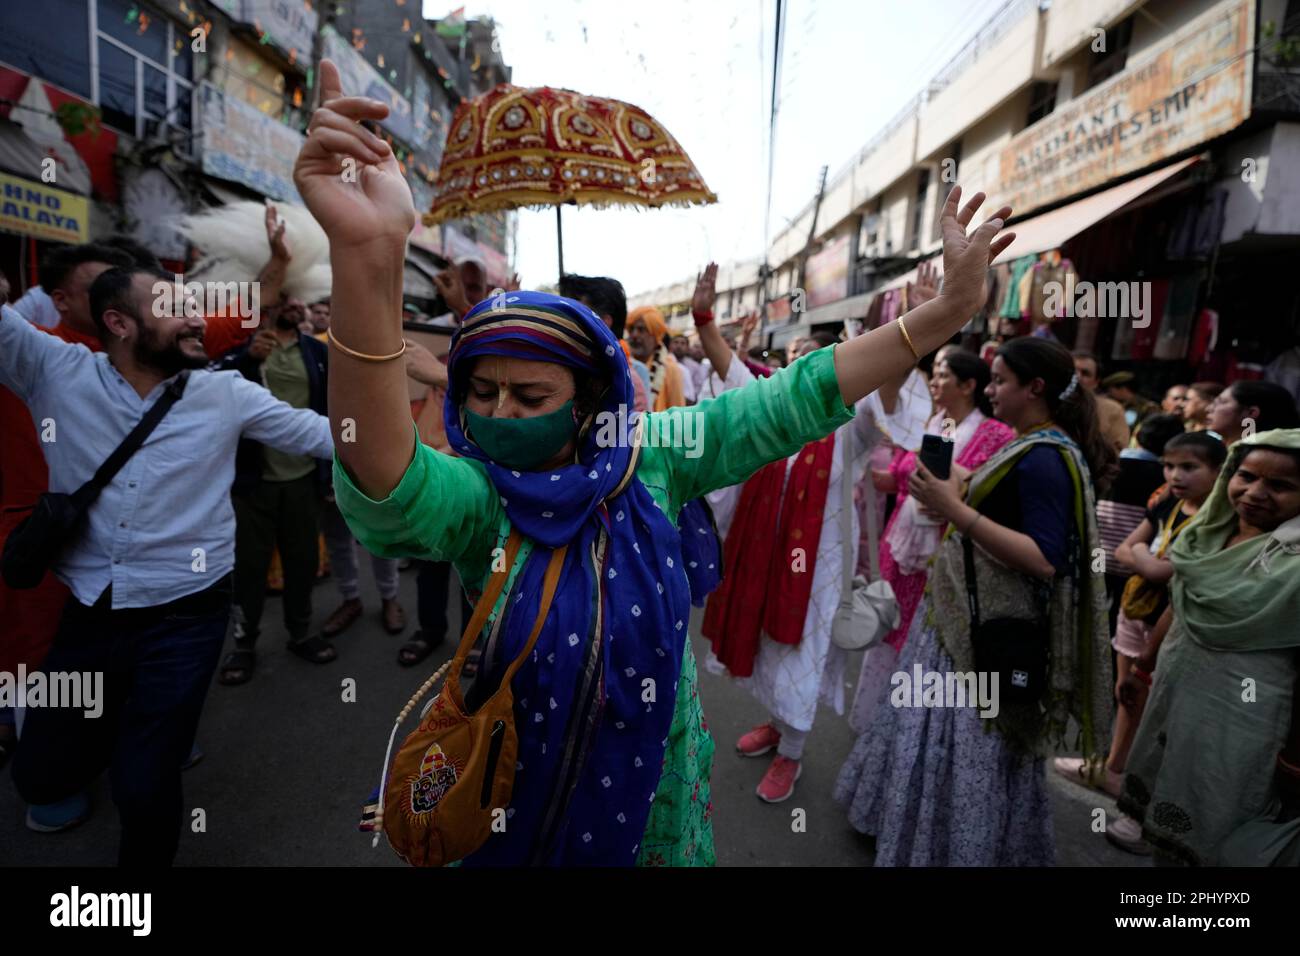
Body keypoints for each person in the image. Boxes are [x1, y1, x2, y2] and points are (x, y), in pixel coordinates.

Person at [294, 58, 1014, 865]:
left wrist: (945, 312)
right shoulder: (481, 499)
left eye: (531, 398)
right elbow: (381, 476)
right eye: (482, 394)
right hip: (511, 788)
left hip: (655, 786)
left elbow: (794, 399)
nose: (499, 417)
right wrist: (367, 255)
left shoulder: (654, 459)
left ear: (595, 398)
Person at [2, 265, 332, 865]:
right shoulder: (53, 369)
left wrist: (434, 445)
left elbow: (324, 435)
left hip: (188, 616)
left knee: (146, 774)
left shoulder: (224, 392)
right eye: (175, 306)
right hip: (90, 612)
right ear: (119, 323)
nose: (198, 317)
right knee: (42, 770)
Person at [835, 336, 1115, 866]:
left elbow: (1043, 558)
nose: (990, 389)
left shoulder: (1046, 458)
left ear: (1034, 389)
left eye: (1000, 381)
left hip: (983, 633)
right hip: (959, 620)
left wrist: (952, 508)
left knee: (965, 749)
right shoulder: (1029, 442)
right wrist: (954, 482)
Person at [1115, 429, 1300, 865]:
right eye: (1247, 476)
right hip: (1176, 688)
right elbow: (1178, 606)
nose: (1255, 493)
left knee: (1218, 832)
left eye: (1280, 486)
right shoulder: (1206, 535)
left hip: (1245, 713)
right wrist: (1143, 666)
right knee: (1166, 817)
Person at [1062, 431, 1223, 853]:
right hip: (1136, 614)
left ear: (1219, 471)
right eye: (1170, 466)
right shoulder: (1166, 502)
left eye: (1190, 467)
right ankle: (1113, 769)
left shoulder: (1214, 519)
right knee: (1128, 695)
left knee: (1159, 713)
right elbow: (1122, 550)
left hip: (1168, 625)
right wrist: (1150, 563)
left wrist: (1146, 563)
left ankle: (1145, 803)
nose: (1176, 475)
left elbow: (1155, 569)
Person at [847, 349, 1015, 730]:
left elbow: (988, 495)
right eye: (934, 375)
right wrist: (856, 463)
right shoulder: (928, 422)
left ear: (969, 385)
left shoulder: (995, 435)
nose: (934, 383)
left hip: (945, 556)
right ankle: (875, 726)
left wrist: (952, 495)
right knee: (886, 633)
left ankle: (909, 733)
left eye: (942, 376)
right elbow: (896, 478)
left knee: (924, 645)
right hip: (902, 547)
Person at [1094, 413, 1186, 638]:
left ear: (1137, 435)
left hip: (1096, 556)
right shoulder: (1165, 480)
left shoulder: (1108, 465)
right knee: (1119, 618)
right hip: (1132, 565)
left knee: (1095, 617)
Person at [558, 273, 650, 412]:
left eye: (576, 314)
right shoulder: (564, 369)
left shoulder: (628, 385)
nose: (565, 320)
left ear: (603, 324)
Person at [626, 304, 688, 410]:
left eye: (641, 329)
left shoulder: (671, 370)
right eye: (631, 329)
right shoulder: (623, 364)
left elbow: (678, 417)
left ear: (656, 336)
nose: (634, 335)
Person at [1205, 379, 1300, 445]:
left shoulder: (1260, 463)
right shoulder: (1214, 450)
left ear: (1251, 413)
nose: (1208, 409)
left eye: (1221, 402)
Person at [1073, 350, 1130, 451]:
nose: (1077, 377)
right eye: (1073, 371)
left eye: (1085, 373)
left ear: (1096, 382)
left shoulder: (1112, 410)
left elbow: (1118, 450)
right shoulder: (1044, 402)